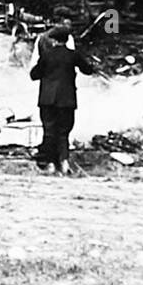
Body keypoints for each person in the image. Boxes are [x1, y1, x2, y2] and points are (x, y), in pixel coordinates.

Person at [29, 24, 95, 175]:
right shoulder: (73, 55)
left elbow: (34, 75)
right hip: (67, 100)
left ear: (54, 40)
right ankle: (64, 162)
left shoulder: (46, 55)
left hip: (47, 100)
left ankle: (51, 163)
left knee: (49, 131)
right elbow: (88, 70)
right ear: (67, 39)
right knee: (64, 131)